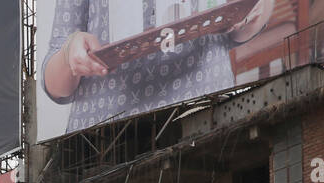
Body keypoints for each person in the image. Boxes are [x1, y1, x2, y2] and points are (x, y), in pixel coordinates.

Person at [41, 0, 276, 136]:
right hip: (105, 132)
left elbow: (243, 29)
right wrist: (69, 52)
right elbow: (55, 85)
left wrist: (251, 10)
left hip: (205, 112)